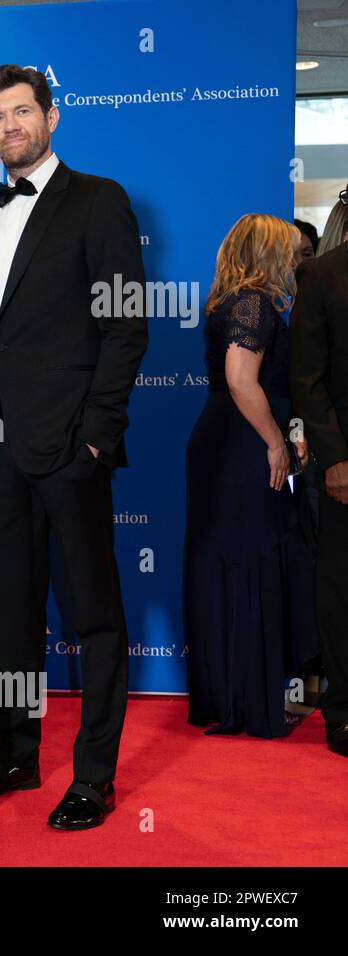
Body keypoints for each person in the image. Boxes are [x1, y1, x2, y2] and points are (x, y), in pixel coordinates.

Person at [0, 65, 148, 829]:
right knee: (14, 614)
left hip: (70, 449)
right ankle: (17, 750)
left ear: (51, 117)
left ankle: (94, 775)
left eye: (22, 112)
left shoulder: (100, 201)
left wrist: (96, 437)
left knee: (93, 614)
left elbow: (127, 326)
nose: (10, 127)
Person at [185, 215, 318, 738]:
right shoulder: (254, 303)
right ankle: (250, 701)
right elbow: (244, 382)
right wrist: (275, 443)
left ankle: (233, 695)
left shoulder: (232, 301)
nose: (295, 261)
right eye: (289, 251)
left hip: (228, 441)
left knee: (232, 565)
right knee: (251, 563)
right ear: (267, 252)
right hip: (243, 445)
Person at [290, 212, 348, 760]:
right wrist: (334, 458)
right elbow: (306, 378)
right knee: (341, 589)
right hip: (345, 464)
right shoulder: (323, 275)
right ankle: (344, 710)